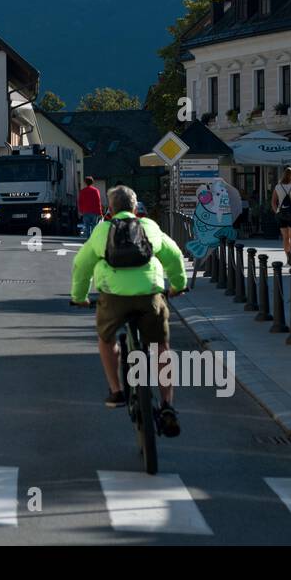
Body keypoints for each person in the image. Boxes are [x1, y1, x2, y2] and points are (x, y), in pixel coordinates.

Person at [69, 184, 189, 436]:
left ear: (110, 209)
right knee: (161, 347)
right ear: (135, 208)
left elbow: (81, 265)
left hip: (113, 297)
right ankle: (168, 405)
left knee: (106, 338)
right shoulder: (149, 227)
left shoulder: (102, 230)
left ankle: (116, 390)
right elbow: (175, 255)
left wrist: (79, 297)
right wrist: (178, 285)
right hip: (149, 296)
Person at [271, 166, 291, 267]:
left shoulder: (278, 186)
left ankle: (288, 255)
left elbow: (273, 201)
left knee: (285, 237)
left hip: (281, 214)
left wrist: (276, 211)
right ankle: (290, 252)